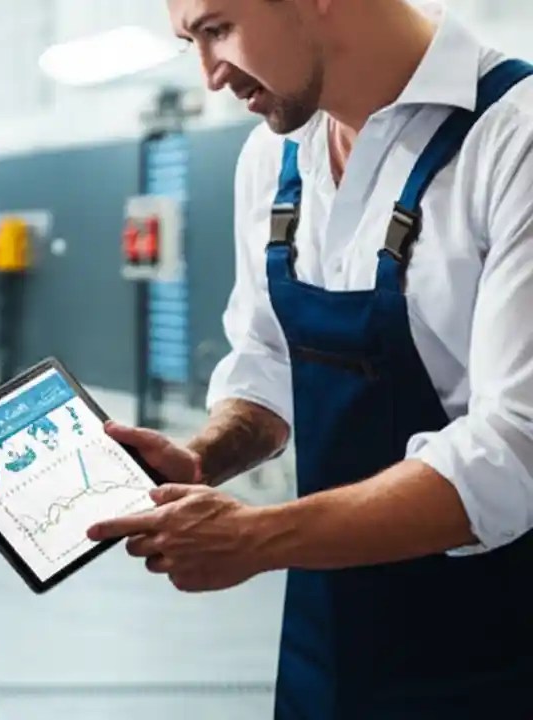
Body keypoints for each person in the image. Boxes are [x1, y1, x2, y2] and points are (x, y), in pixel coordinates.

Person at [86, 1, 533, 718]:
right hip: (324, 649)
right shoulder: (274, 156)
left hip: (496, 656)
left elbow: (515, 450)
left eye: (216, 28)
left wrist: (258, 537)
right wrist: (202, 461)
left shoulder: (514, 141)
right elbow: (266, 356)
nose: (209, 76)